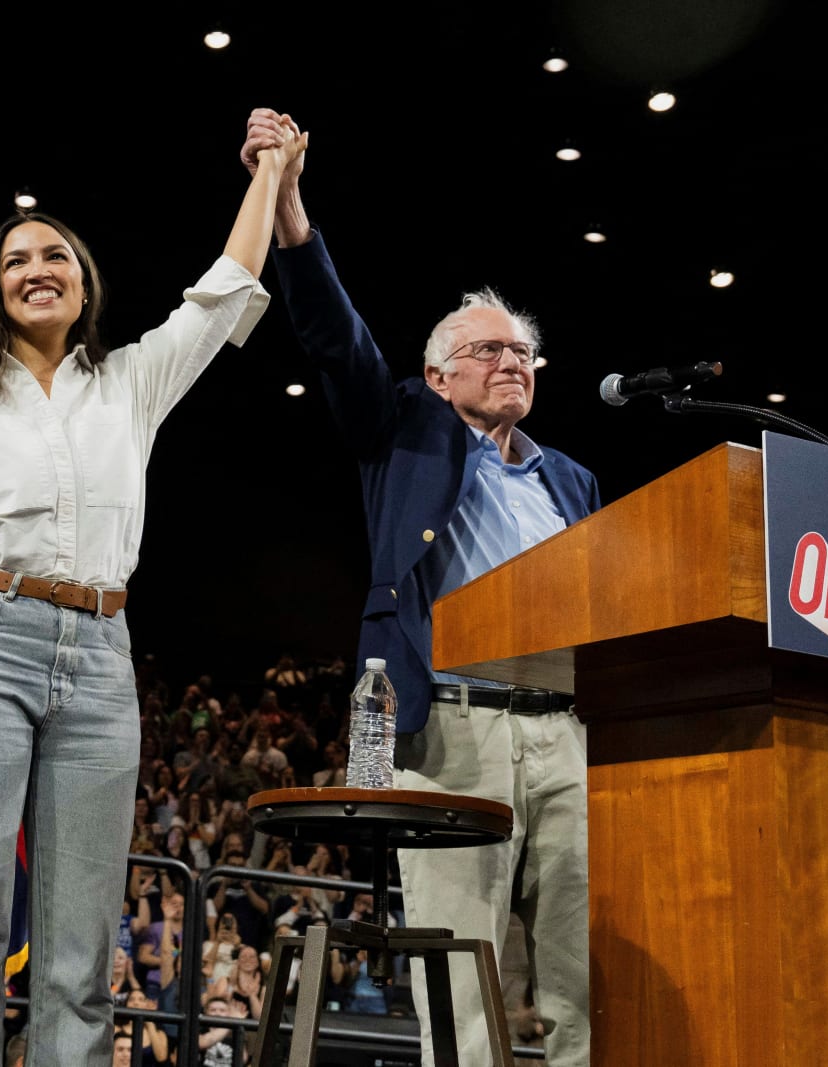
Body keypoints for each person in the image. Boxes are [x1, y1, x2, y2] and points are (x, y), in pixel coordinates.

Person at [0, 115, 305, 1067]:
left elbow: (222, 296)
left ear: (84, 281)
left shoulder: (128, 383)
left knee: (81, 958)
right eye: (16, 260)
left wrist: (273, 170)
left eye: (56, 255)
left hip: (99, 663)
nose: (37, 268)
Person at [243, 107, 600, 1066]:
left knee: (581, 969)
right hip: (453, 726)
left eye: (523, 353)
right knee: (464, 967)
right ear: (440, 374)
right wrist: (290, 211)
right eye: (489, 351)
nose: (513, 364)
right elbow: (334, 337)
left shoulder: (572, 478)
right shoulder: (403, 428)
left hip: (565, 729)